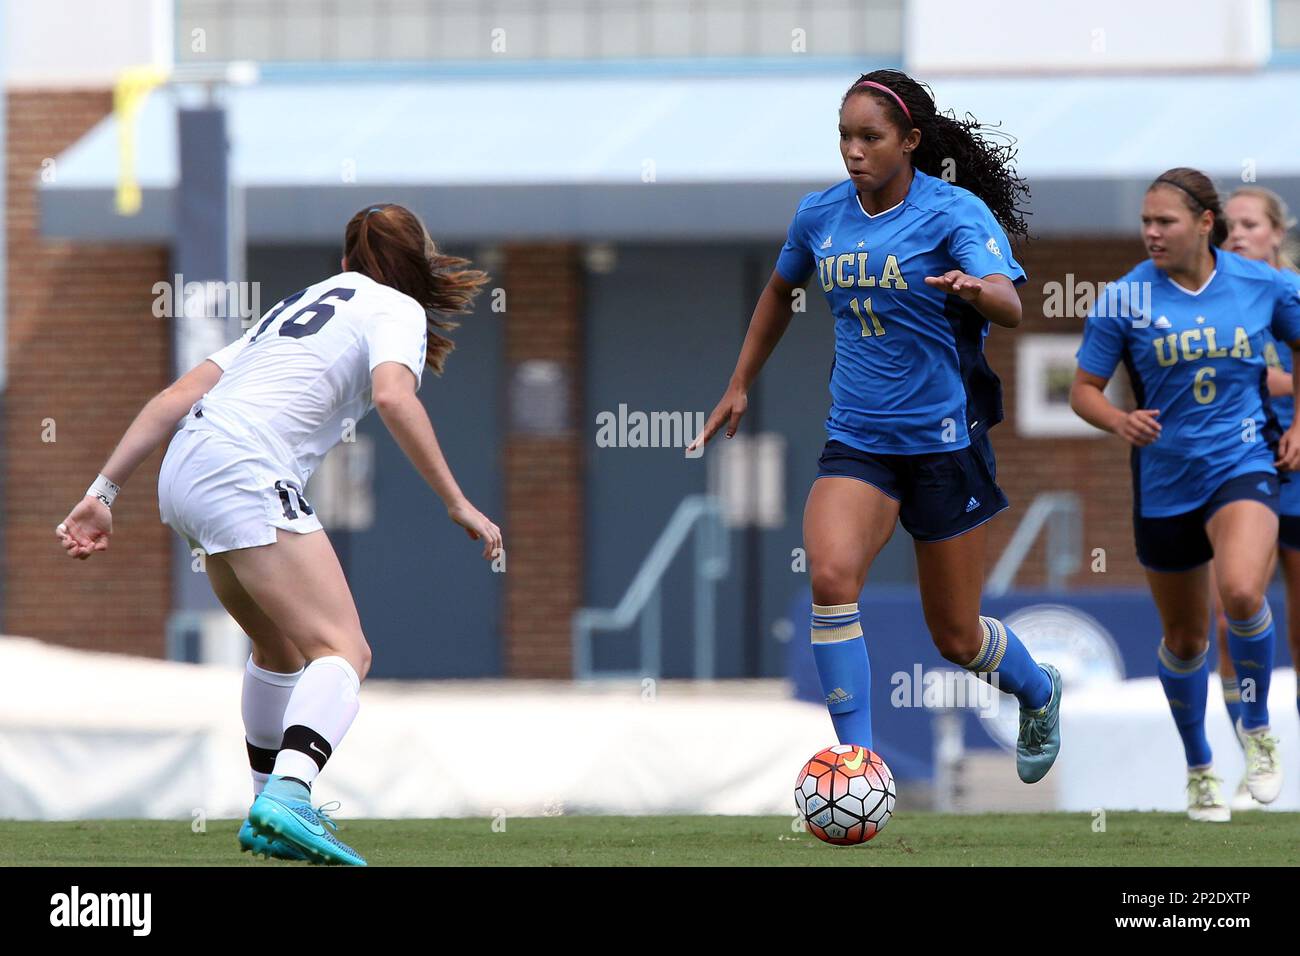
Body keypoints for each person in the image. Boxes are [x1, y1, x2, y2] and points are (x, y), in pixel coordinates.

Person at [55, 203, 502, 864]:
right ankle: (290, 795)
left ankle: (269, 804)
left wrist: (102, 493)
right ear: (418, 268)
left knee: (279, 650)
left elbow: (178, 395)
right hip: (243, 469)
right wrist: (458, 502)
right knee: (344, 651)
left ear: (347, 263)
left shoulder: (300, 304)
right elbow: (393, 397)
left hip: (185, 469)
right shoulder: (397, 309)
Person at [687, 69, 1062, 785]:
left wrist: (975, 288)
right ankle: (856, 763)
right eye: (844, 137)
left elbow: (1010, 305)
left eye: (870, 137)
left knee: (955, 636)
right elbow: (779, 290)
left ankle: (1038, 691)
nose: (853, 152)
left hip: (944, 445)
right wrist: (739, 384)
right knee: (830, 576)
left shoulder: (953, 214)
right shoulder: (820, 215)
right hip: (858, 440)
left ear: (910, 142)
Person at [1071, 169, 1300, 821]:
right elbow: (1083, 389)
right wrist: (1119, 421)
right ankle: (1200, 765)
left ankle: (1256, 732)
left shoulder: (1262, 283)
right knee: (1185, 639)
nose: (1151, 232)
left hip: (1243, 463)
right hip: (1165, 482)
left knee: (1243, 593)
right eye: (1145, 221)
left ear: (1205, 223)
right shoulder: (1123, 300)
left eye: (1164, 221)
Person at [1212, 186, 1300, 809]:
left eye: (1250, 224)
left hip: (1295, 467)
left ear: (1276, 233)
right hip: (1241, 472)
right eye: (1229, 226)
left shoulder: (1290, 297)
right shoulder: (1216, 299)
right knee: (1231, 614)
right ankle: (1254, 754)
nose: (1237, 234)